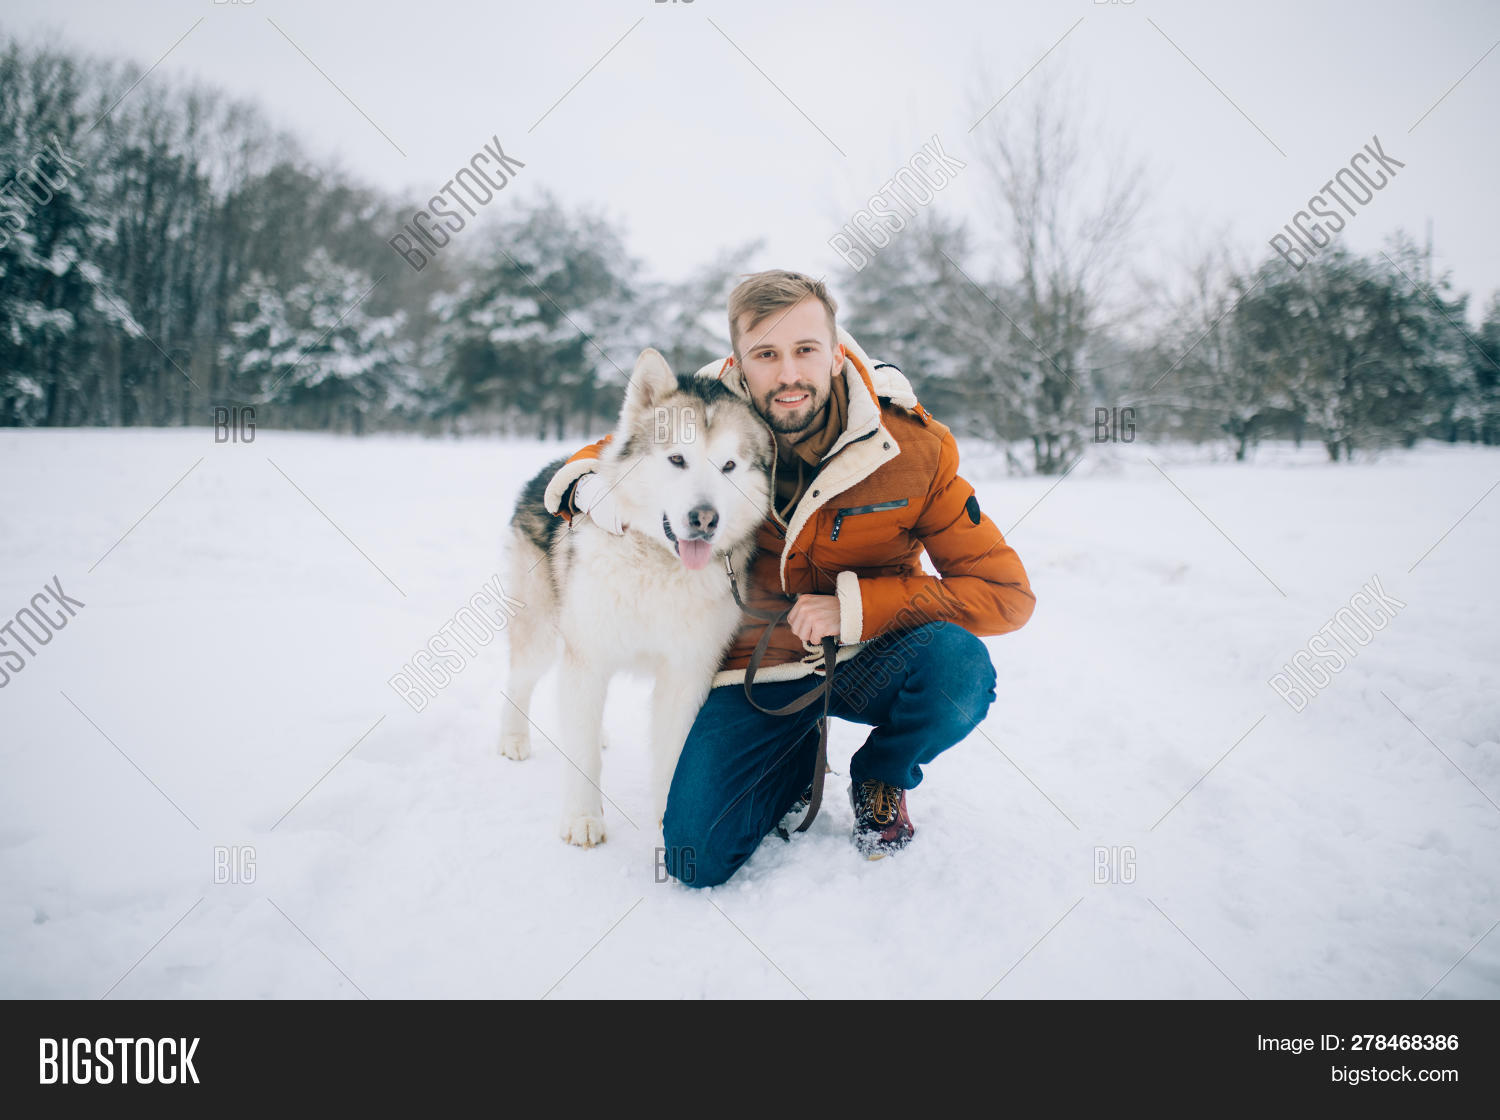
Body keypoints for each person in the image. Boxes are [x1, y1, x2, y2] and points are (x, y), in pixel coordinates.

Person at [544, 270, 1035, 885]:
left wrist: (856, 608)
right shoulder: (713, 413)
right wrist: (583, 483)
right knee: (697, 856)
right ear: (738, 364)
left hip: (870, 654)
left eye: (805, 349)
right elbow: (626, 444)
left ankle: (881, 773)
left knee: (958, 670)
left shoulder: (913, 449)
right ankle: (792, 759)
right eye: (766, 355)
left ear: (836, 353)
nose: (788, 373)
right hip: (761, 672)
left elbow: (1006, 597)